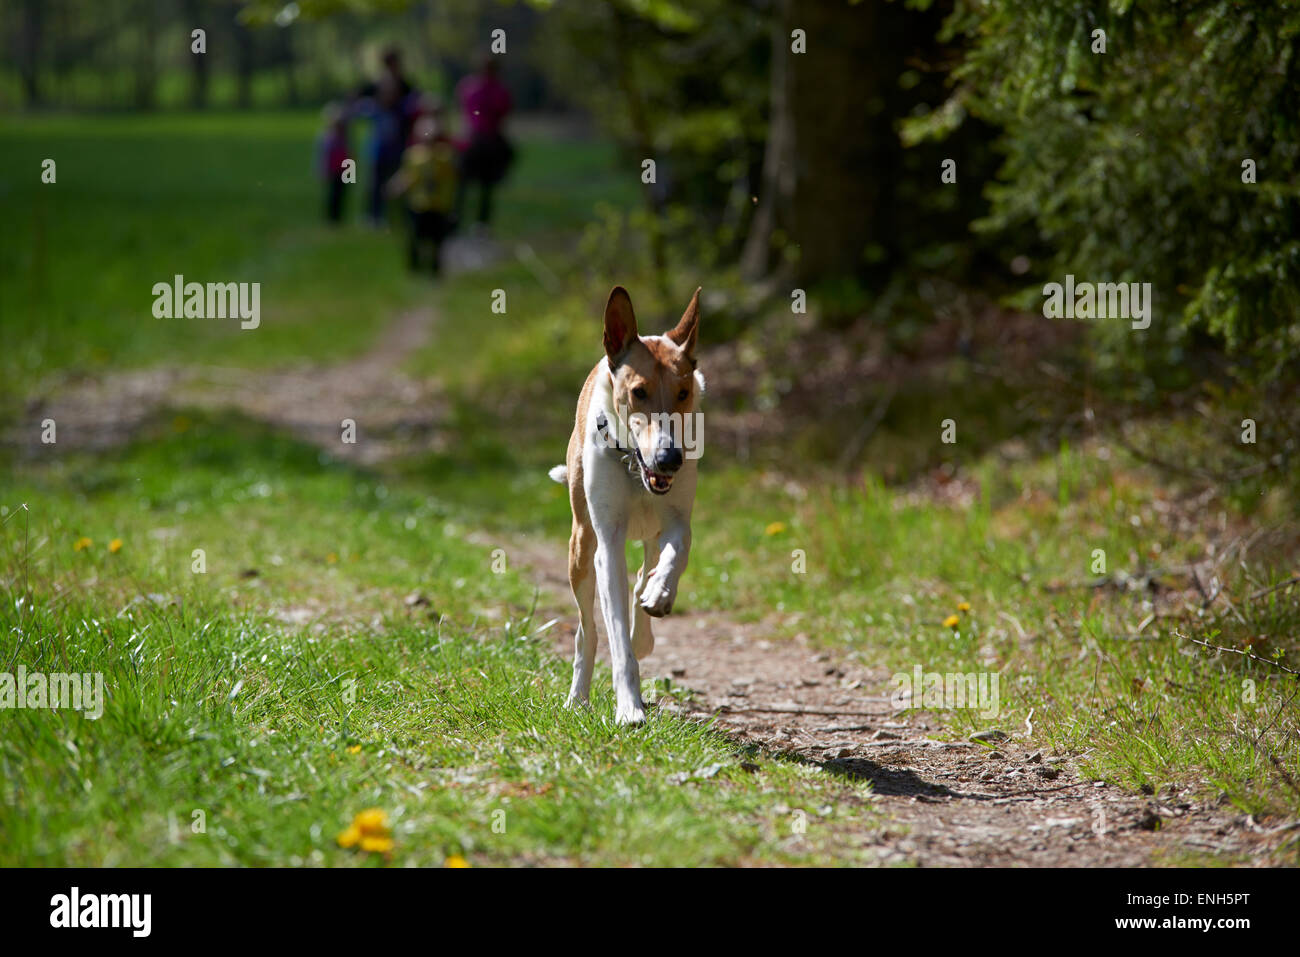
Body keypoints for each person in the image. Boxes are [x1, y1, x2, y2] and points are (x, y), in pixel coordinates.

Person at [387, 110, 458, 274]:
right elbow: (407, 176)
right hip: (419, 204)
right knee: (415, 237)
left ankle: (435, 267)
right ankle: (415, 266)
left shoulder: (445, 156)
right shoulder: (414, 156)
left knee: (437, 240)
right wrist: (395, 187)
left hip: (439, 205)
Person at [355, 46, 418, 226]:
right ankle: (374, 215)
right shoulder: (376, 91)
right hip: (379, 148)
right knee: (376, 183)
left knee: (399, 181)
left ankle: (398, 214)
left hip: (398, 145)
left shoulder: (404, 89)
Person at [454, 54, 514, 230]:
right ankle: (457, 218)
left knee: (486, 186)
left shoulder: (498, 90)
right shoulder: (470, 87)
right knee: (462, 183)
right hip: (474, 140)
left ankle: (481, 222)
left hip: (488, 141)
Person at [315, 102, 351, 224]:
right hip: (333, 170)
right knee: (333, 195)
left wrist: (350, 173)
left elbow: (349, 155)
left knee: (342, 194)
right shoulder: (328, 137)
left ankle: (339, 218)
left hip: (344, 170)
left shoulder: (345, 137)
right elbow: (323, 156)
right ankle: (331, 218)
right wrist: (323, 170)